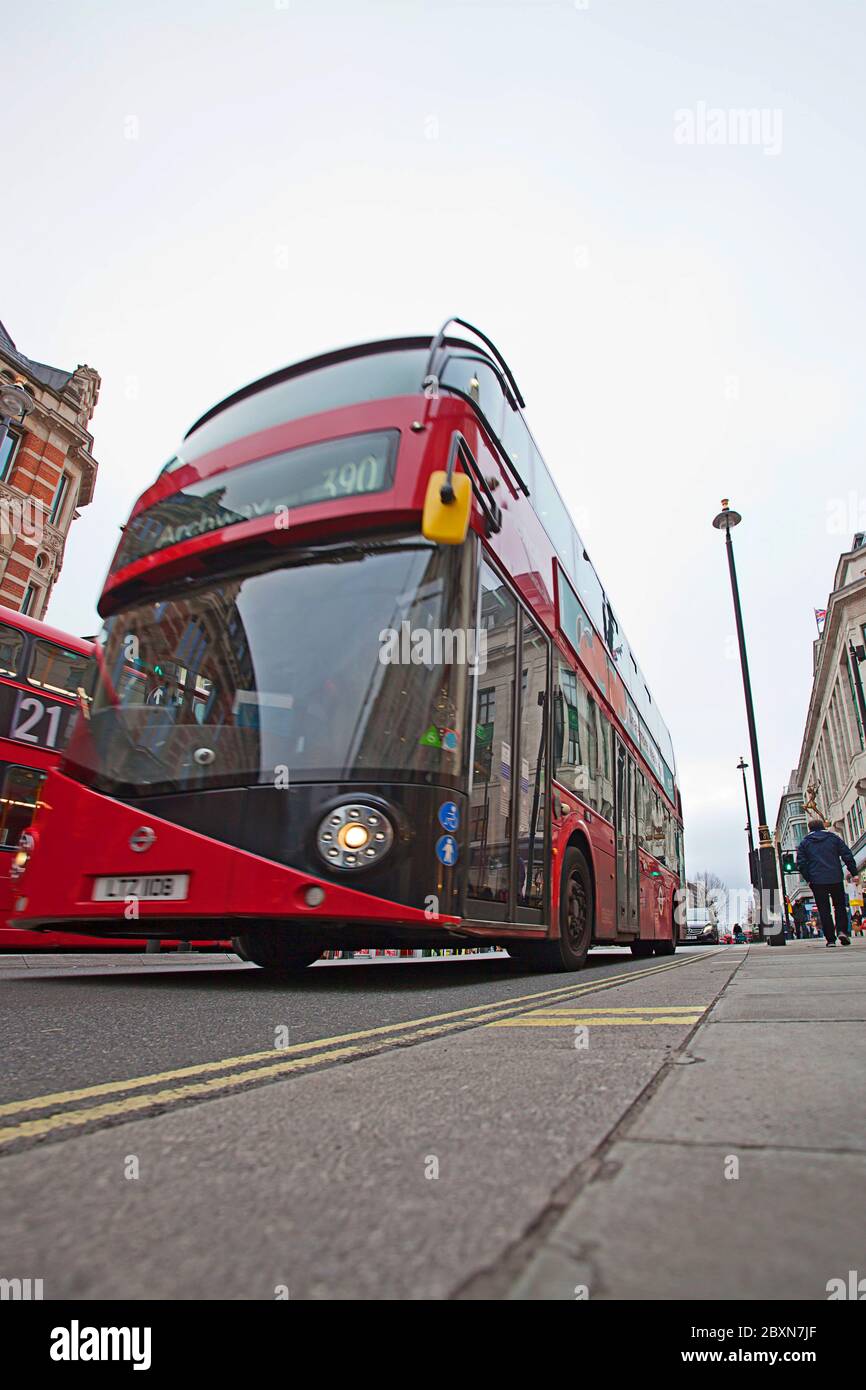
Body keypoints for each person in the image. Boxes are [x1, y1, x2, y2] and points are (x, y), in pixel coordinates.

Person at [796, 818, 859, 948]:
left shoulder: (804, 843)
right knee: (840, 906)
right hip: (835, 877)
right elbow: (847, 855)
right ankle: (842, 931)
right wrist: (854, 873)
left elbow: (801, 864)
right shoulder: (833, 838)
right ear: (823, 827)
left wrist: (809, 878)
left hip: (817, 880)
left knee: (824, 910)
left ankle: (830, 939)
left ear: (810, 829)